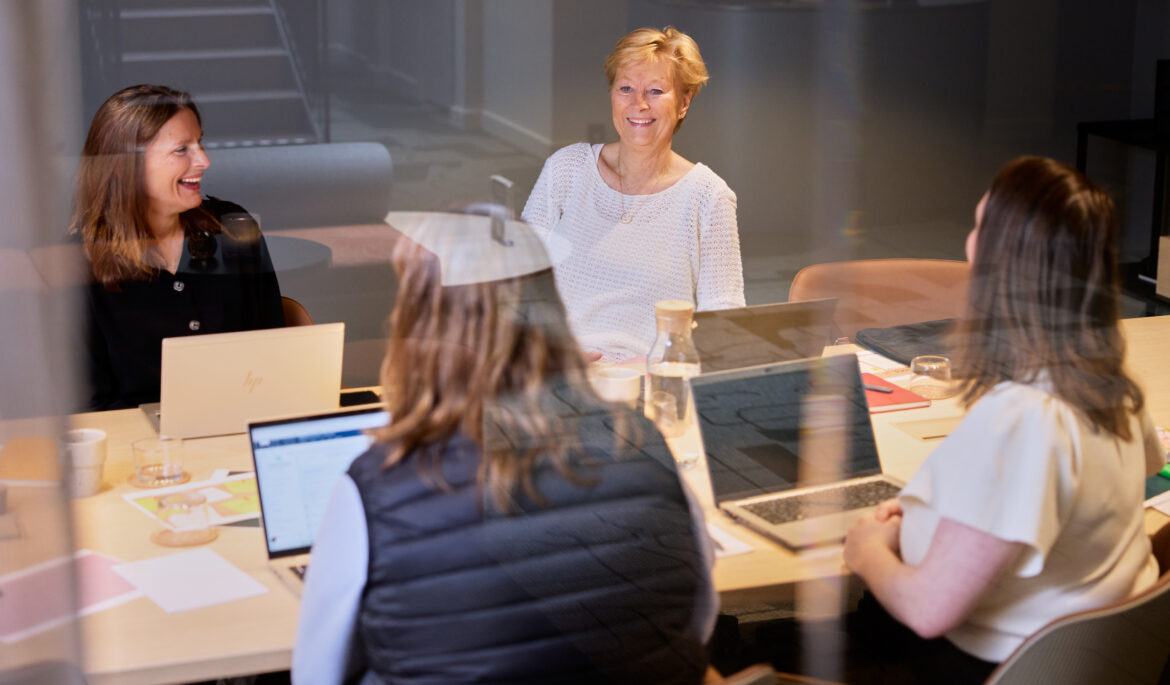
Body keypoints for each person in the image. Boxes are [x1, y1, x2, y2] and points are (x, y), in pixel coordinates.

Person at [787, 156, 1166, 683]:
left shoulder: (1021, 422)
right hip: (1095, 660)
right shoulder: (1113, 386)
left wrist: (867, 549)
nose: (968, 246)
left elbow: (927, 610)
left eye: (978, 230)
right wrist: (942, 511)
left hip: (994, 667)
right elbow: (1120, 477)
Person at [292, 215, 716, 684]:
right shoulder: (642, 443)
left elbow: (316, 676)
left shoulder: (376, 486)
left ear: (417, 327)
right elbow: (696, 622)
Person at [522, 26, 745, 362]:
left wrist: (659, 362)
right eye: (625, 88)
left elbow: (725, 320)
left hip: (651, 374)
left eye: (655, 91)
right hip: (559, 367)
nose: (638, 104)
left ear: (683, 103)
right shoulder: (566, 169)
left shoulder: (708, 197)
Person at [72, 84, 283, 410]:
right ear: (126, 164)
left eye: (200, 142)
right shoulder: (75, 262)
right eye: (181, 149)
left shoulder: (233, 228)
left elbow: (275, 354)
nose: (204, 160)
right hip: (133, 438)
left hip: (239, 422)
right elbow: (87, 409)